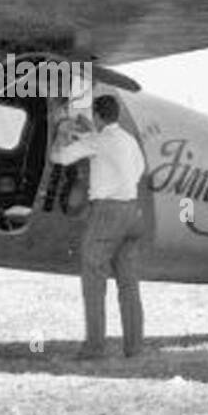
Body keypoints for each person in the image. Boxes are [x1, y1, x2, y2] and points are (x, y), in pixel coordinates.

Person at [49, 93, 147, 359]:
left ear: (98, 116)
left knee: (93, 278)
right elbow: (138, 170)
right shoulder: (128, 140)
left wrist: (61, 132)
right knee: (128, 284)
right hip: (132, 211)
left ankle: (94, 347)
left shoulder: (98, 141)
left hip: (107, 212)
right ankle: (134, 347)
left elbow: (59, 158)